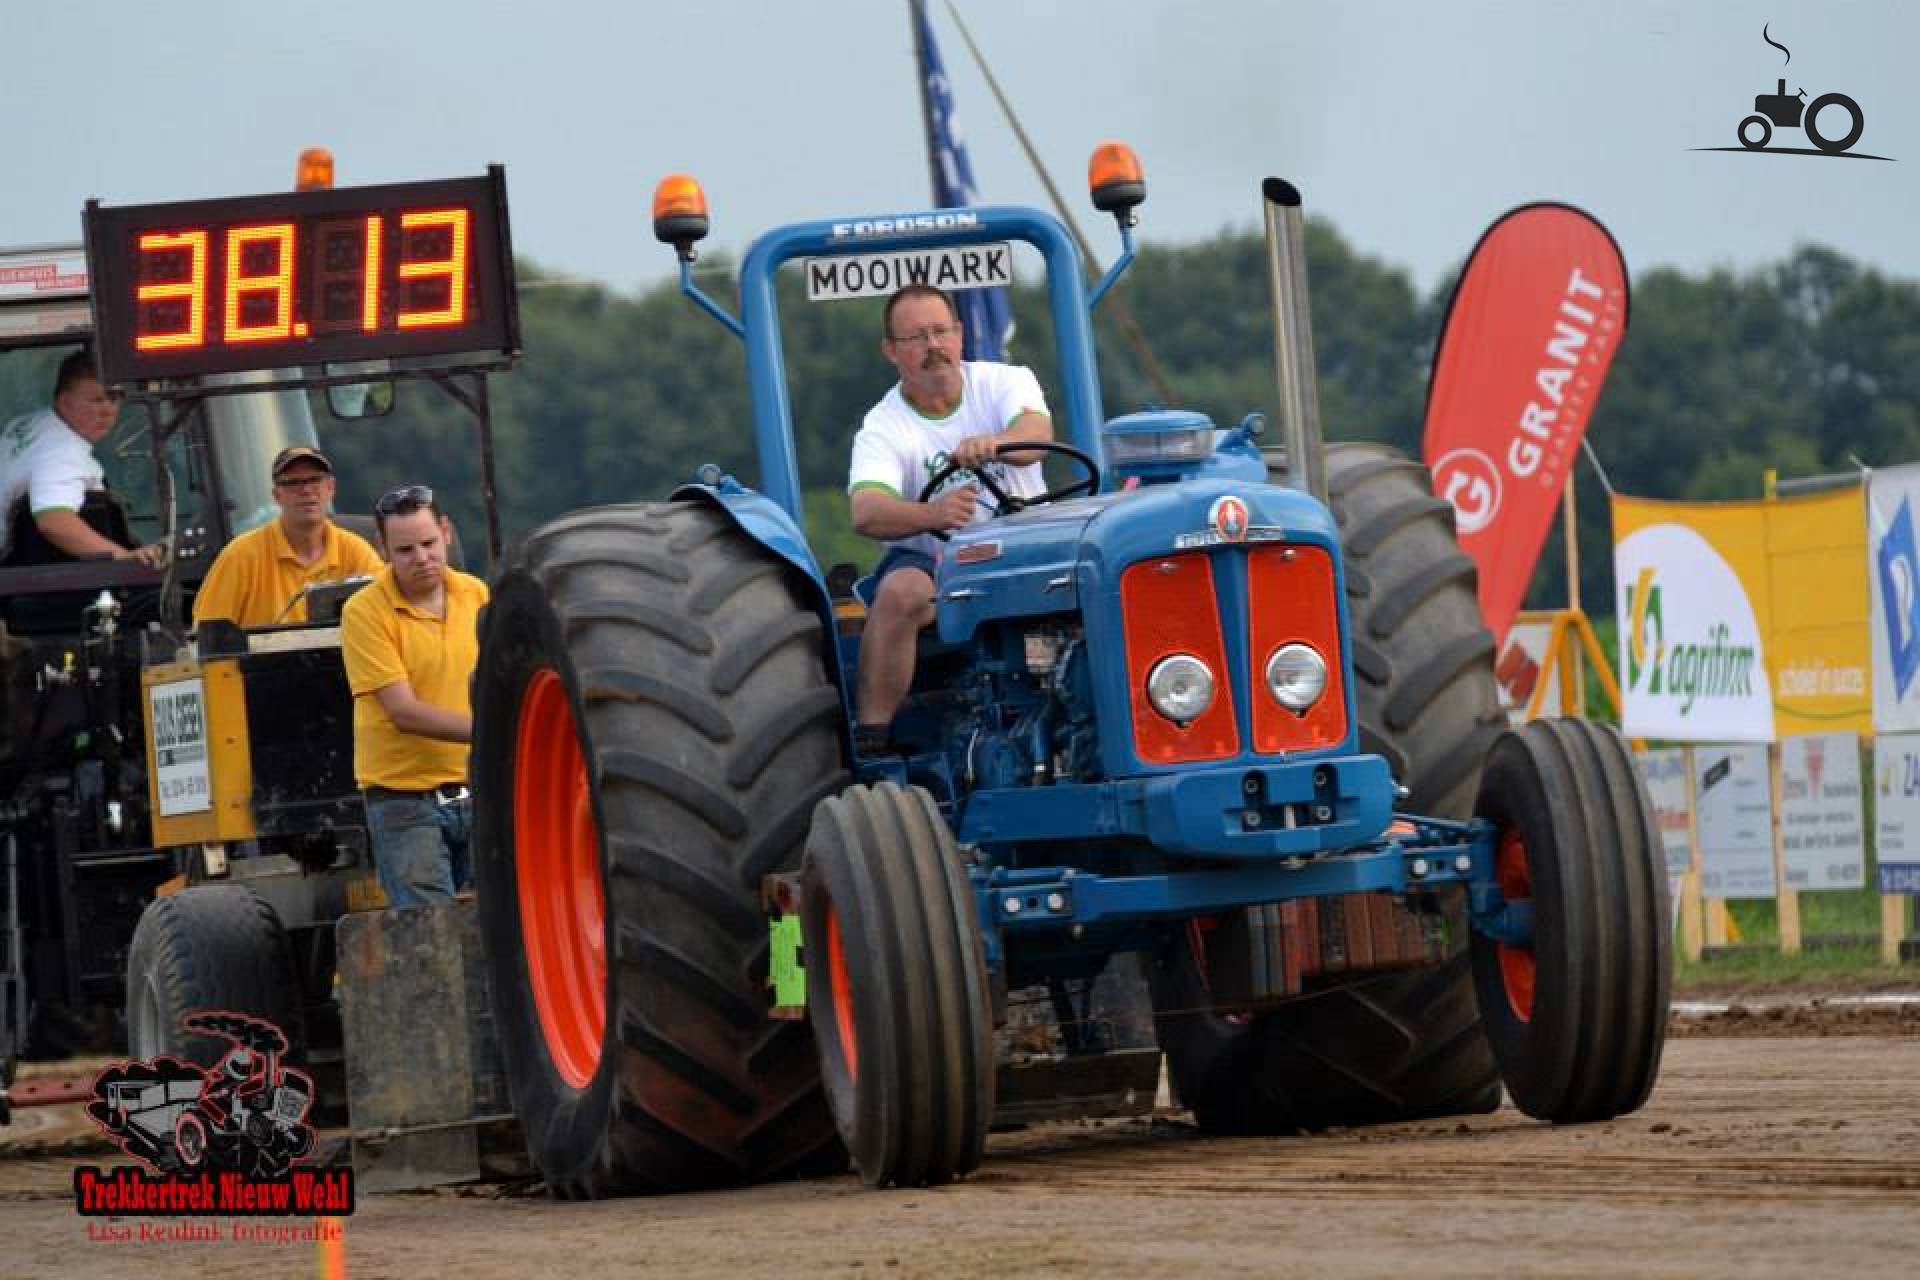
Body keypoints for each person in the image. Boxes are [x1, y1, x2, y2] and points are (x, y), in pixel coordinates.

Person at [846, 284, 1053, 752]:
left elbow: (1037, 434)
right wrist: (932, 513)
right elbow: (867, 510)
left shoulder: (1005, 382)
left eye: (941, 331)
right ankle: (873, 738)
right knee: (900, 591)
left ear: (960, 334)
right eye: (916, 337)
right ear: (891, 351)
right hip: (938, 565)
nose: (933, 346)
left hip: (1028, 547)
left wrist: (998, 444)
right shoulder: (884, 427)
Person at [339, 484, 488, 908]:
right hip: (403, 801)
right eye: (405, 550)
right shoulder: (364, 612)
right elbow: (403, 712)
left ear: (447, 533)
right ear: (382, 549)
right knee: (429, 928)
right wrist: (494, 730)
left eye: (428, 543)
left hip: (478, 788)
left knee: (496, 923)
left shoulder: (477, 595)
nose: (422, 557)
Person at [0, 350, 164, 567]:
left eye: (114, 399)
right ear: (64, 402)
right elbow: (54, 521)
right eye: (97, 400)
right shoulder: (63, 454)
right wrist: (124, 557)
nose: (108, 411)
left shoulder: (28, 424)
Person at [191, 445, 384, 628]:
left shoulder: (357, 553)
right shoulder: (240, 556)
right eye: (293, 483)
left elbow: (387, 617)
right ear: (277, 495)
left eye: (315, 480)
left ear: (330, 488)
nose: (306, 490)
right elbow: (208, 636)